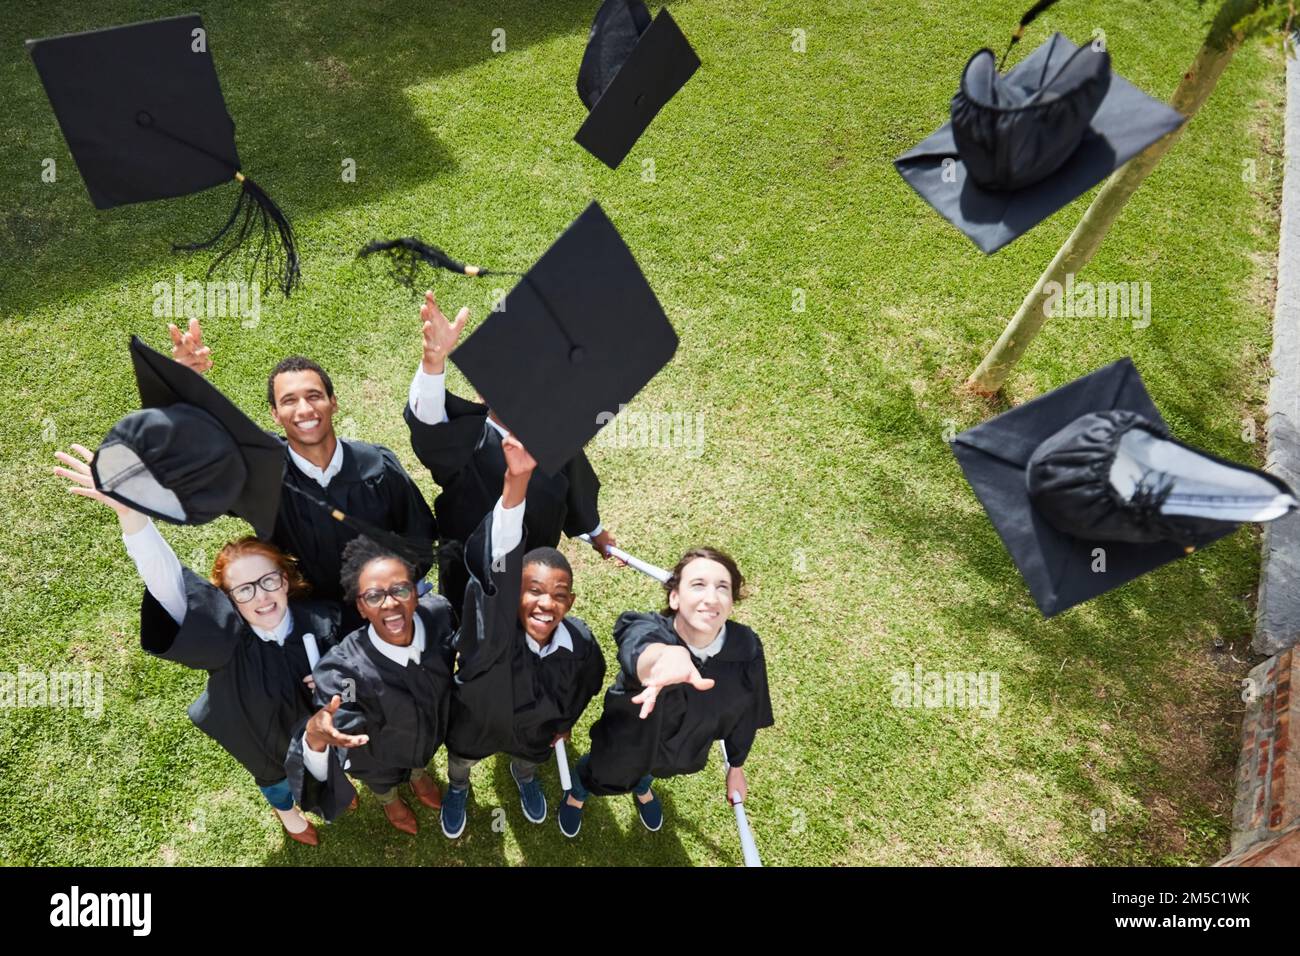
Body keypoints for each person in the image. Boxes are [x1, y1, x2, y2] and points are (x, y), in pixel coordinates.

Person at [53, 442, 345, 847]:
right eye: (243, 590)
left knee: (327, 761)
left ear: (285, 578)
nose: (261, 597)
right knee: (275, 780)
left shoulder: (323, 620)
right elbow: (168, 581)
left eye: (268, 580)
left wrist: (336, 676)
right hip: (257, 735)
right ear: (226, 598)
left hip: (314, 727)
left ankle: (330, 793)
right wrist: (131, 515)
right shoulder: (225, 637)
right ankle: (288, 816)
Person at [286, 433, 537, 835]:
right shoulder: (345, 672)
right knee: (384, 780)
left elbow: (493, 579)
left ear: (416, 588)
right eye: (374, 596)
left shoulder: (439, 617)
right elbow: (337, 720)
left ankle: (421, 776)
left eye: (400, 589)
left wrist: (514, 487)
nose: (390, 604)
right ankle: (391, 803)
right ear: (360, 605)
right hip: (380, 756)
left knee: (421, 760)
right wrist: (316, 740)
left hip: (429, 730)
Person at [169, 319, 437, 632]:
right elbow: (202, 464)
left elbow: (419, 541)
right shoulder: (263, 474)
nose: (304, 410)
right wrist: (185, 384)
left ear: (333, 403)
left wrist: (388, 595)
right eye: (289, 401)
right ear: (274, 414)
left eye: (314, 396)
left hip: (385, 613)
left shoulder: (377, 467)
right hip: (308, 628)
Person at [402, 292, 617, 618]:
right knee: (476, 637)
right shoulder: (466, 439)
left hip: (534, 566)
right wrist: (433, 363)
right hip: (474, 572)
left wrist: (596, 530)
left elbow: (576, 486)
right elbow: (429, 423)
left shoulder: (552, 433)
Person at [558, 547, 774, 838]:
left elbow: (747, 713)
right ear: (675, 597)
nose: (711, 598)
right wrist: (662, 659)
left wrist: (736, 766)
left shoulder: (746, 650)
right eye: (698, 584)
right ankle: (579, 792)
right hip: (627, 740)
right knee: (603, 772)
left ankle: (642, 786)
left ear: (731, 602)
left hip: (680, 749)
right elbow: (638, 646)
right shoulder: (649, 629)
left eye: (723, 587)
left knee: (650, 772)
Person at [439, 546, 606, 838]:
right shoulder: (491, 637)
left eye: (559, 595)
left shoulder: (581, 645)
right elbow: (482, 588)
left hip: (535, 731)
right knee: (461, 762)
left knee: (528, 760)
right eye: (534, 590)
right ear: (514, 594)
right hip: (479, 724)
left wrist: (566, 723)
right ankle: (458, 788)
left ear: (570, 602)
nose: (546, 603)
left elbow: (588, 685)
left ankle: (524, 776)